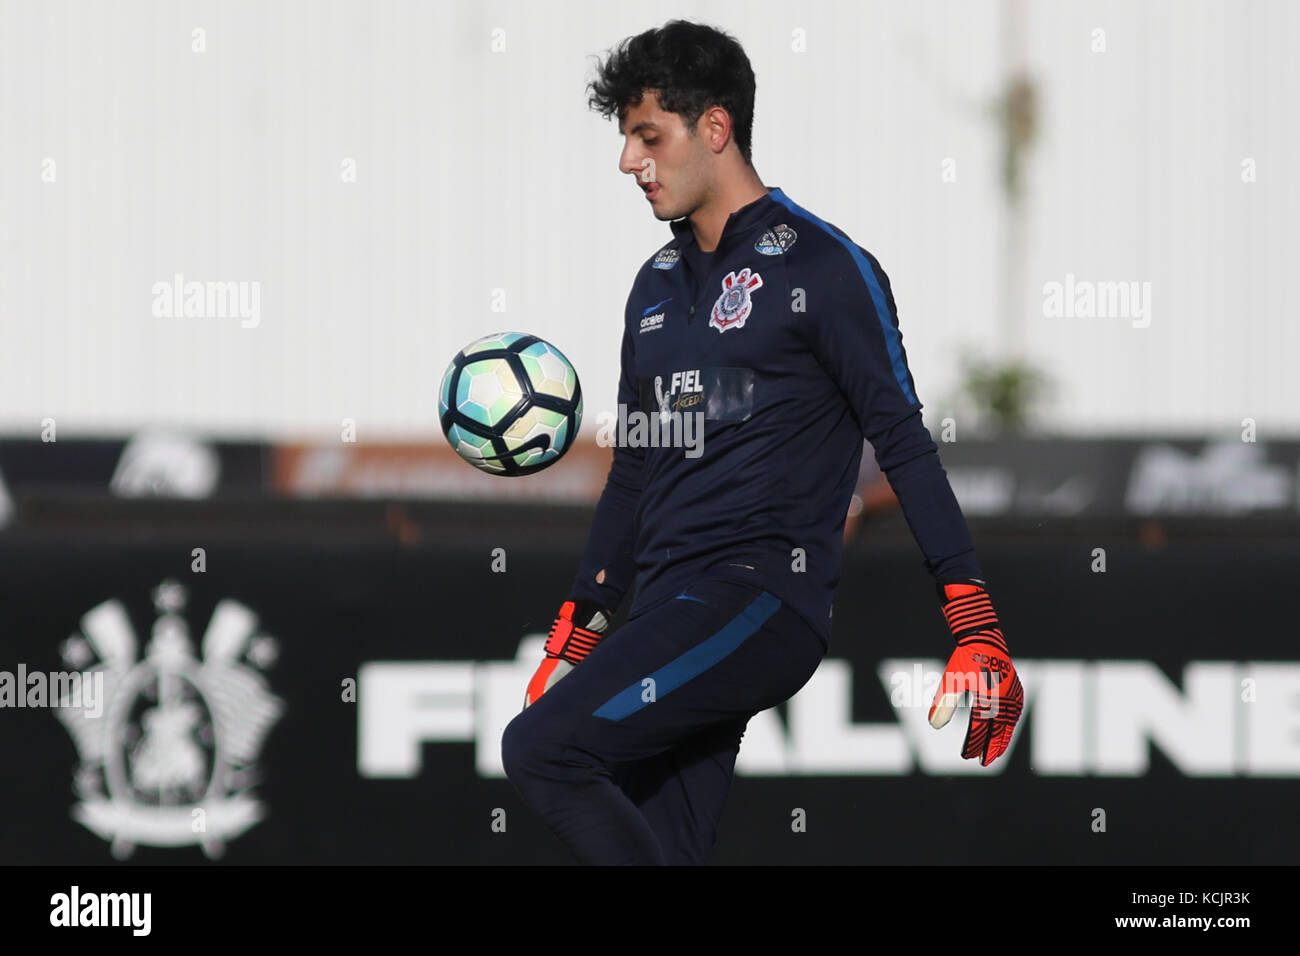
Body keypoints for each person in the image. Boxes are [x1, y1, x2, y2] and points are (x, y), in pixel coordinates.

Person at [501, 19, 1023, 866]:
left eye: (647, 136)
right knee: (664, 845)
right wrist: (580, 627)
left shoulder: (823, 266)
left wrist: (974, 621)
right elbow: (635, 471)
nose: (629, 162)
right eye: (626, 138)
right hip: (668, 607)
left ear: (715, 127)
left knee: (541, 749)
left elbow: (902, 440)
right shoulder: (655, 285)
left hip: (758, 600)